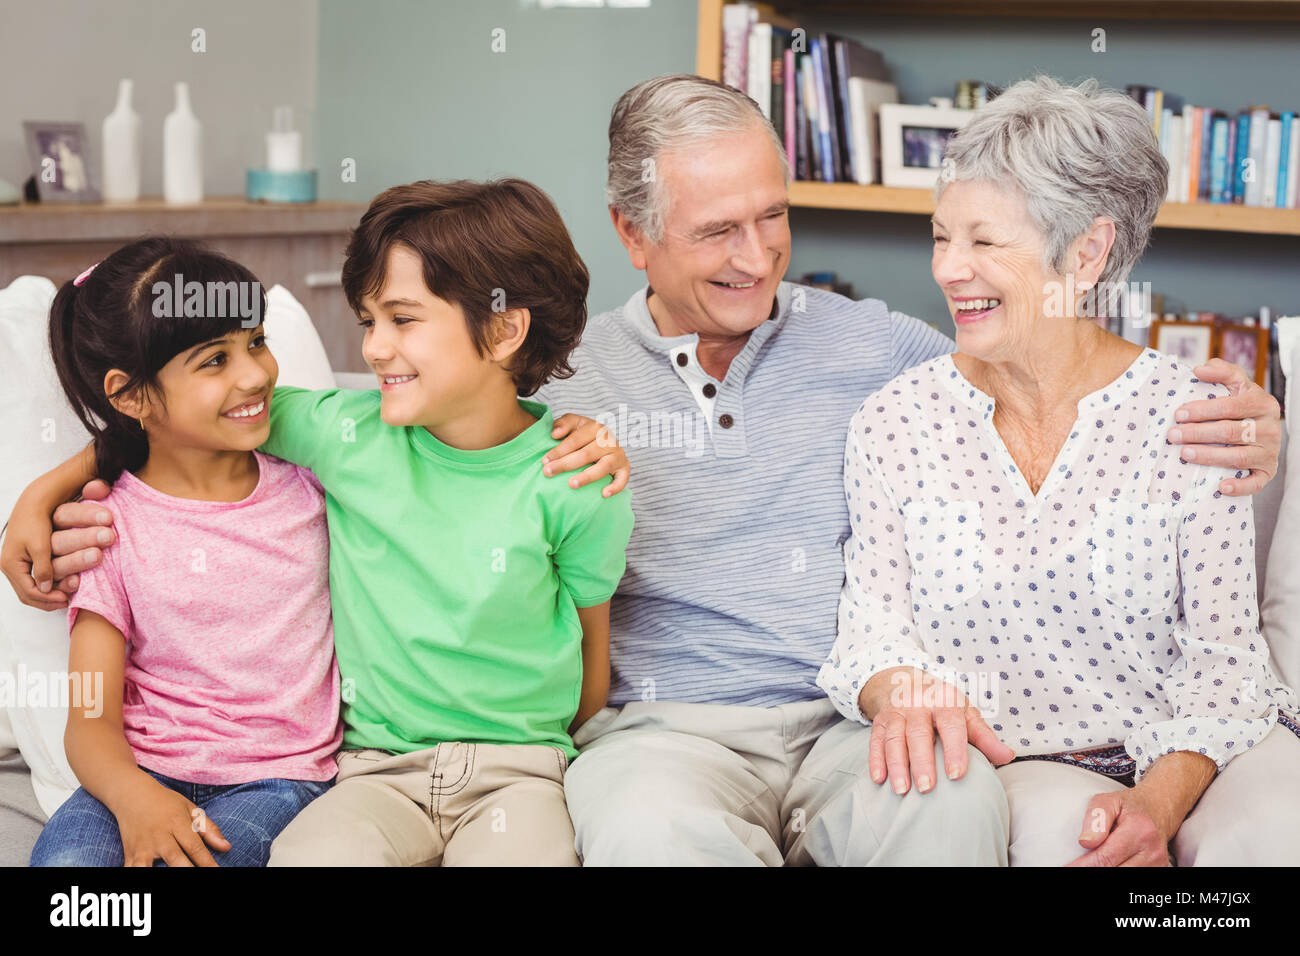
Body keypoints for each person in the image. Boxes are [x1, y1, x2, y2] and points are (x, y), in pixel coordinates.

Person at [531, 74, 1282, 866]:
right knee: (652, 831)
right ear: (632, 233)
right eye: (718, 230)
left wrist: (1262, 427)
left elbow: (1034, 368)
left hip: (850, 728)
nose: (756, 259)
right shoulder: (560, 385)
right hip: (668, 734)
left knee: (948, 801)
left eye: (774, 217)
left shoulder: (876, 348)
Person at [4, 180, 635, 867]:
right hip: (368, 774)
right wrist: (40, 494)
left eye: (402, 319)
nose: (371, 350)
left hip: (492, 772)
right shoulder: (340, 438)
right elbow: (179, 424)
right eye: (369, 321)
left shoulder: (577, 480)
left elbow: (588, 676)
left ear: (504, 328)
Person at [818, 76, 1300, 866]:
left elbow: (1224, 661)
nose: (947, 268)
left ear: (1086, 252)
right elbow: (871, 631)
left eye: (983, 241)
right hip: (1002, 768)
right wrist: (903, 689)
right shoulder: (896, 421)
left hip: (1194, 748)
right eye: (941, 236)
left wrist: (1157, 801)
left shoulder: (1197, 420)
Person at [23, 237, 341, 866]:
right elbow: (89, 717)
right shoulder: (106, 529)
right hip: (137, 774)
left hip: (278, 778)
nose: (255, 374)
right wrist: (136, 797)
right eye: (214, 360)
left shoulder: (314, 485)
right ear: (131, 396)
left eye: (256, 342)